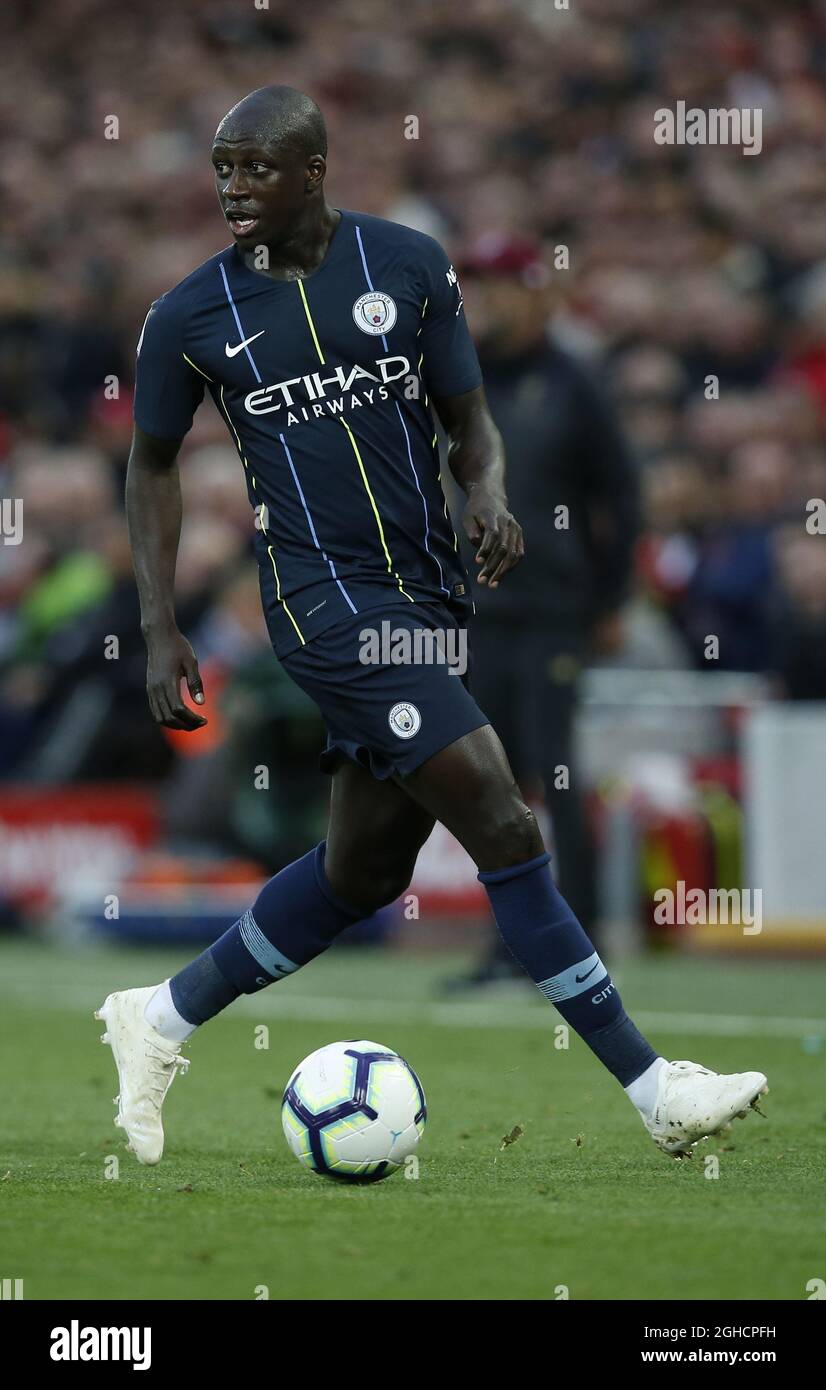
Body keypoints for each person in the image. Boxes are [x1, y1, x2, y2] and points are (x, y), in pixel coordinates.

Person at [97, 85, 767, 1166]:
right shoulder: (189, 315)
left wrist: (489, 494)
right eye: (220, 168)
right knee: (503, 819)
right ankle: (654, 1087)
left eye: (253, 167)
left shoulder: (406, 265)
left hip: (425, 596)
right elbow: (152, 466)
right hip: (323, 606)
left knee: (362, 873)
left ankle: (160, 1016)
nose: (230, 187)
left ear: (313, 170)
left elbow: (469, 419)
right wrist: (160, 626)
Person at [443, 233, 638, 989]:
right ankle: (511, 946)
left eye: (499, 288)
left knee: (555, 774)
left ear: (536, 293)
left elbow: (619, 494)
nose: (484, 303)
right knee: (488, 783)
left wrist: (612, 595)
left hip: (553, 612)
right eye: (476, 289)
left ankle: (581, 946)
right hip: (479, 613)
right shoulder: (460, 383)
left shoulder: (573, 381)